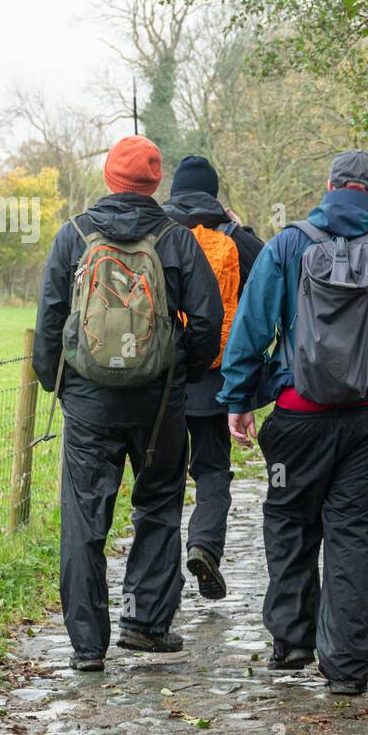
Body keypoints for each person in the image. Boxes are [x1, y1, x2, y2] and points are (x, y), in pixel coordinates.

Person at [217, 150, 368, 695]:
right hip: (366, 424)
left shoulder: (287, 245)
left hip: (295, 418)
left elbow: (252, 327)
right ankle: (345, 667)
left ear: (328, 186)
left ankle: (293, 641)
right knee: (351, 536)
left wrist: (238, 398)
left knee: (290, 520)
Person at [33, 136, 222, 672]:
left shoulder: (72, 236)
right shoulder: (178, 239)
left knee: (84, 517)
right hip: (159, 401)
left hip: (89, 402)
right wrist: (180, 368)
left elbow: (50, 317)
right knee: (158, 506)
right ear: (154, 183)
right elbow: (207, 321)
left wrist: (56, 381)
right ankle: (145, 624)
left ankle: (87, 646)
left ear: (109, 177)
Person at [162, 155, 264, 600]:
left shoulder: (158, 233)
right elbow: (273, 270)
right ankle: (204, 545)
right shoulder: (235, 239)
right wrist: (244, 230)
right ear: (214, 192)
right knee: (212, 472)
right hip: (215, 380)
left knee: (162, 481)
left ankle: (160, 577)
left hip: (161, 379)